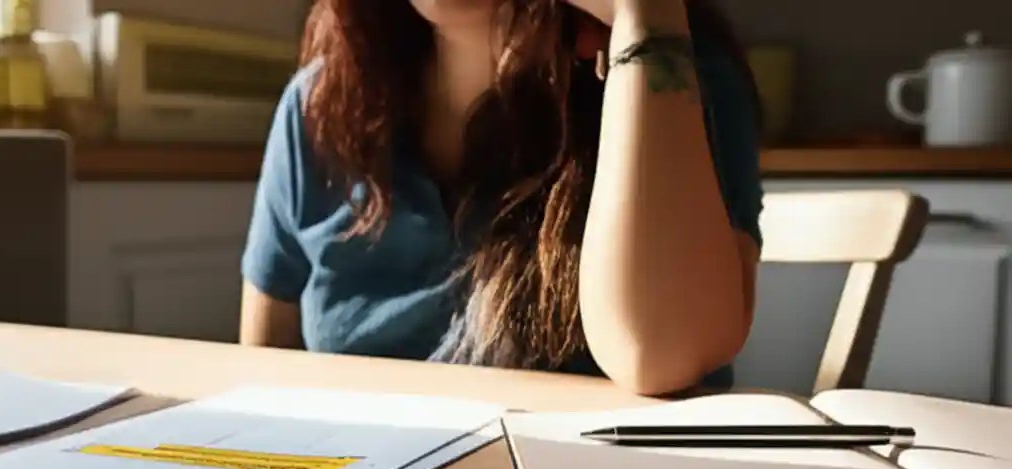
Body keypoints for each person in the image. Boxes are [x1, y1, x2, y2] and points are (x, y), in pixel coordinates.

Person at [238, 0, 763, 396]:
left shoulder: (674, 79)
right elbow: (261, 372)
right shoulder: (320, 106)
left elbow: (660, 353)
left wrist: (642, 18)